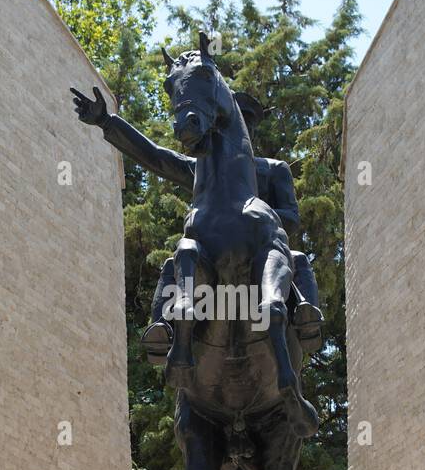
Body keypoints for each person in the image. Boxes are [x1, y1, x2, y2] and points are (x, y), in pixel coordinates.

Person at [69, 83, 323, 363]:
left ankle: (305, 317)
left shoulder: (274, 169)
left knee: (297, 259)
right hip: (213, 255)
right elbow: (155, 156)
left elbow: (292, 218)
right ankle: (162, 327)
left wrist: (262, 219)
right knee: (173, 264)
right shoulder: (203, 169)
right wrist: (107, 121)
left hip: (262, 252)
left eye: (248, 123)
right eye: (238, 120)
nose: (243, 129)